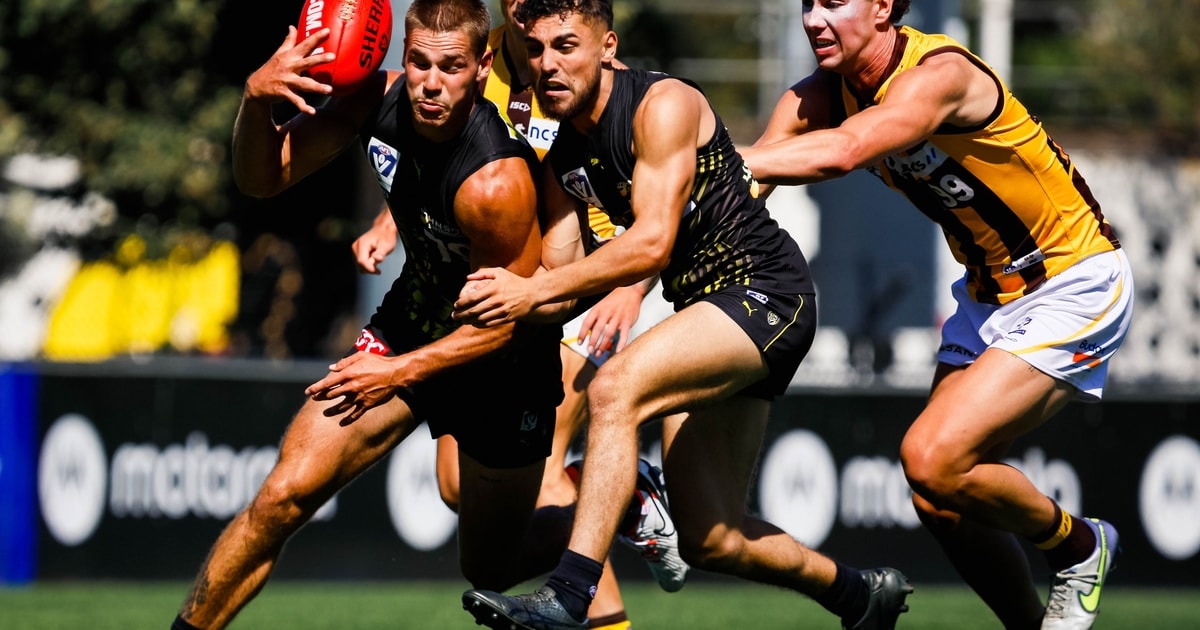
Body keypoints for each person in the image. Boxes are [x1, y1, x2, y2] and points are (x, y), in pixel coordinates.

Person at [453, 1, 913, 629]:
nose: (548, 65)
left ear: (607, 47)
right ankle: (860, 595)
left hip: (766, 293)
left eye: (566, 46)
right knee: (710, 537)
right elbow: (556, 289)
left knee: (616, 389)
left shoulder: (662, 105)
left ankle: (568, 597)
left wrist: (531, 294)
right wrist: (469, 335)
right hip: (711, 311)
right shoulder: (561, 155)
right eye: (534, 50)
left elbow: (650, 244)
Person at [171, 1, 573, 628]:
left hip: (504, 360)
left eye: (451, 67)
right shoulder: (375, 103)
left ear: (481, 66)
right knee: (281, 498)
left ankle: (618, 504)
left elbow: (507, 323)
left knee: (490, 570)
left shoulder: (497, 183)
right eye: (418, 63)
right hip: (413, 317)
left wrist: (399, 374)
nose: (431, 83)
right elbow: (261, 179)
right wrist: (255, 98)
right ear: (400, 58)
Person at [738, 1, 1133, 629]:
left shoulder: (940, 74)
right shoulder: (819, 93)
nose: (814, 18)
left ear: (884, 7)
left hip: (1071, 281)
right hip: (986, 297)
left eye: (834, 2)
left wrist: (703, 158)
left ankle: (1080, 546)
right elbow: (746, 186)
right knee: (940, 500)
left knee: (930, 457)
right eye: (806, 2)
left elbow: (842, 152)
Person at [350, 4, 687, 628]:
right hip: (510, 287)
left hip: (589, 284)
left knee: (546, 469)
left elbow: (650, 196)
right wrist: (386, 224)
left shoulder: (579, 62)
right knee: (457, 487)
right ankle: (622, 498)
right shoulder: (483, 60)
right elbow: (442, 168)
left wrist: (631, 288)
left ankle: (597, 607)